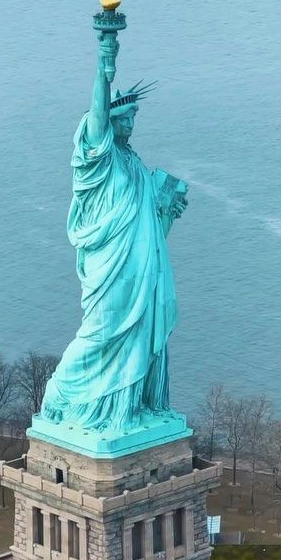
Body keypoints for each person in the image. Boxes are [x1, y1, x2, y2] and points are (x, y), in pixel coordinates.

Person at [40, 26, 188, 435]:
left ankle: (130, 408)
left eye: (135, 117)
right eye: (127, 116)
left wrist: (167, 208)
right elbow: (96, 114)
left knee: (139, 332)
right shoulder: (98, 156)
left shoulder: (133, 162)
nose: (132, 123)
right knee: (101, 332)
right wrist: (106, 64)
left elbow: (145, 223)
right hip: (110, 266)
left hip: (140, 264)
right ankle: (61, 394)